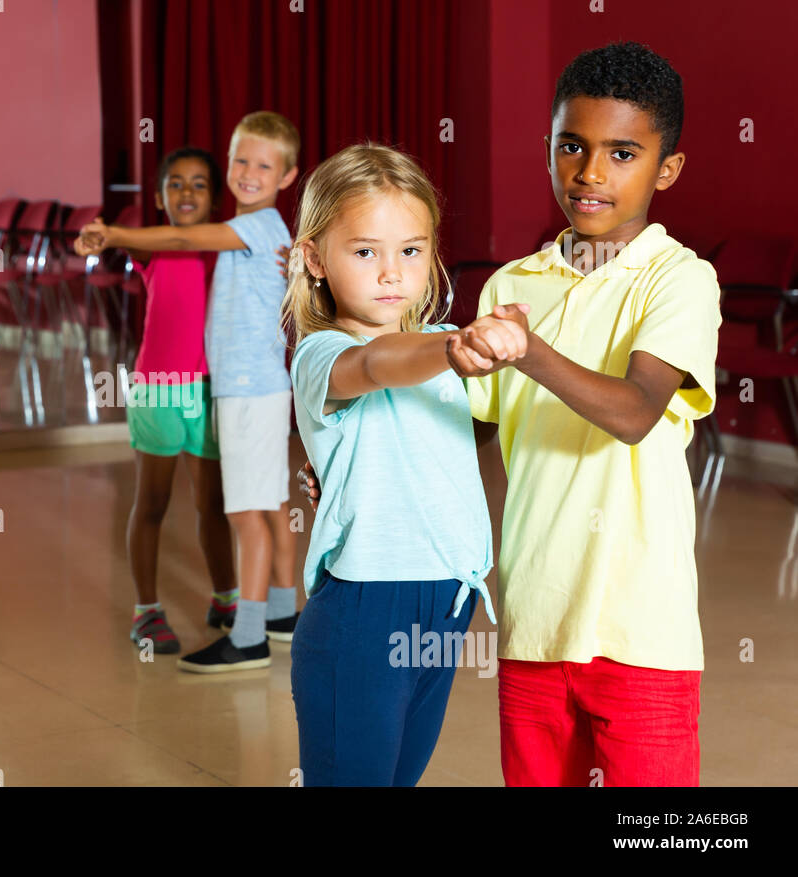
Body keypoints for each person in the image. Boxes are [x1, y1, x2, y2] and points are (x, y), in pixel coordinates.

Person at [308, 43, 721, 787]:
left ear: (667, 169)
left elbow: (632, 413)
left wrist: (526, 349)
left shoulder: (681, 279)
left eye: (622, 153)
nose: (591, 172)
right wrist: (353, 461)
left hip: (642, 628)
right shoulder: (513, 283)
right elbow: (465, 425)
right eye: (572, 145)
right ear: (549, 148)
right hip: (532, 622)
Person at [283, 143, 527, 785]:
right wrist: (456, 347)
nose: (391, 273)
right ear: (315, 258)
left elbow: (435, 442)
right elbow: (374, 366)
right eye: (365, 252)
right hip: (365, 608)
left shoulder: (438, 350)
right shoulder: (323, 353)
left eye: (411, 251)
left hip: (449, 600)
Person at [79, 111, 301, 673]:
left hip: (240, 389)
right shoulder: (261, 234)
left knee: (245, 512)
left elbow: (182, 235)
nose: (247, 172)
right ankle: (280, 613)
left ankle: (248, 634)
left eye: (263, 165)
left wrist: (114, 232)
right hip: (224, 388)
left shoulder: (247, 231)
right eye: (241, 161)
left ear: (287, 175)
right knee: (268, 504)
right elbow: (178, 239)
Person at [110, 147, 235, 655]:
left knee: (213, 504)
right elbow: (125, 240)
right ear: (161, 196)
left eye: (199, 184)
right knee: (154, 501)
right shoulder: (152, 246)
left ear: (214, 198)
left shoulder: (225, 245)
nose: (187, 192)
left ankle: (226, 597)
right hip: (158, 389)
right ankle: (147, 610)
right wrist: (108, 233)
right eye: (176, 183)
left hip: (208, 389)